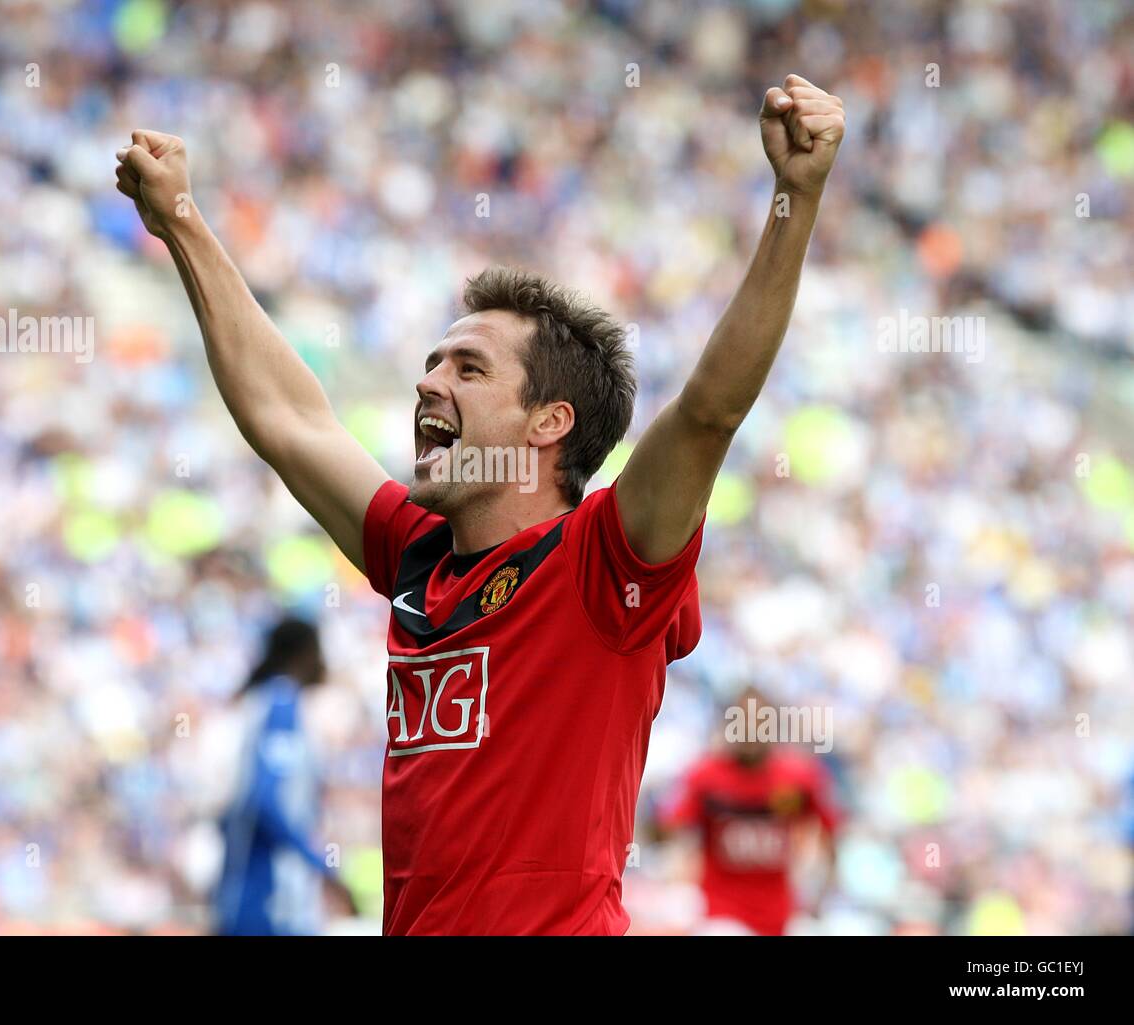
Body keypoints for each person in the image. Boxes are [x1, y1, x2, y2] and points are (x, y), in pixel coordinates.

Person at [115, 75, 846, 935]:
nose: (426, 381)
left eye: (468, 368)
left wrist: (795, 197)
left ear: (550, 422)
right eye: (433, 361)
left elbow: (710, 411)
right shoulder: (417, 552)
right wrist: (182, 224)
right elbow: (285, 419)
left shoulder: (605, 562)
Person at [657, 687, 842, 935]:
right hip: (722, 911)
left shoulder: (800, 777)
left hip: (781, 912)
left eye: (760, 722)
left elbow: (831, 831)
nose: (752, 731)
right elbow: (668, 828)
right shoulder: (705, 776)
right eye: (743, 721)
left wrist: (822, 890)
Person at [213, 617, 354, 935]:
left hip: (250, 891)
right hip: (267, 899)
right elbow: (264, 801)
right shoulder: (280, 702)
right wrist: (323, 867)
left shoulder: (260, 703)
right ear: (302, 654)